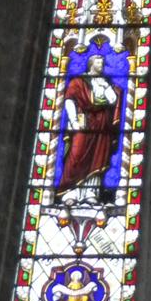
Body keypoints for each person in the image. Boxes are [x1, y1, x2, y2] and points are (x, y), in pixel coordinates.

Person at [57, 53, 121, 200]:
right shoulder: (78, 81)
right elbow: (69, 100)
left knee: (98, 157)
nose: (101, 65)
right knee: (76, 154)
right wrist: (73, 121)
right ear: (91, 64)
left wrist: (106, 86)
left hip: (101, 123)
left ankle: (91, 192)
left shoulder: (105, 82)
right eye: (99, 62)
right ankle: (70, 192)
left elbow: (113, 100)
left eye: (102, 63)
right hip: (83, 121)